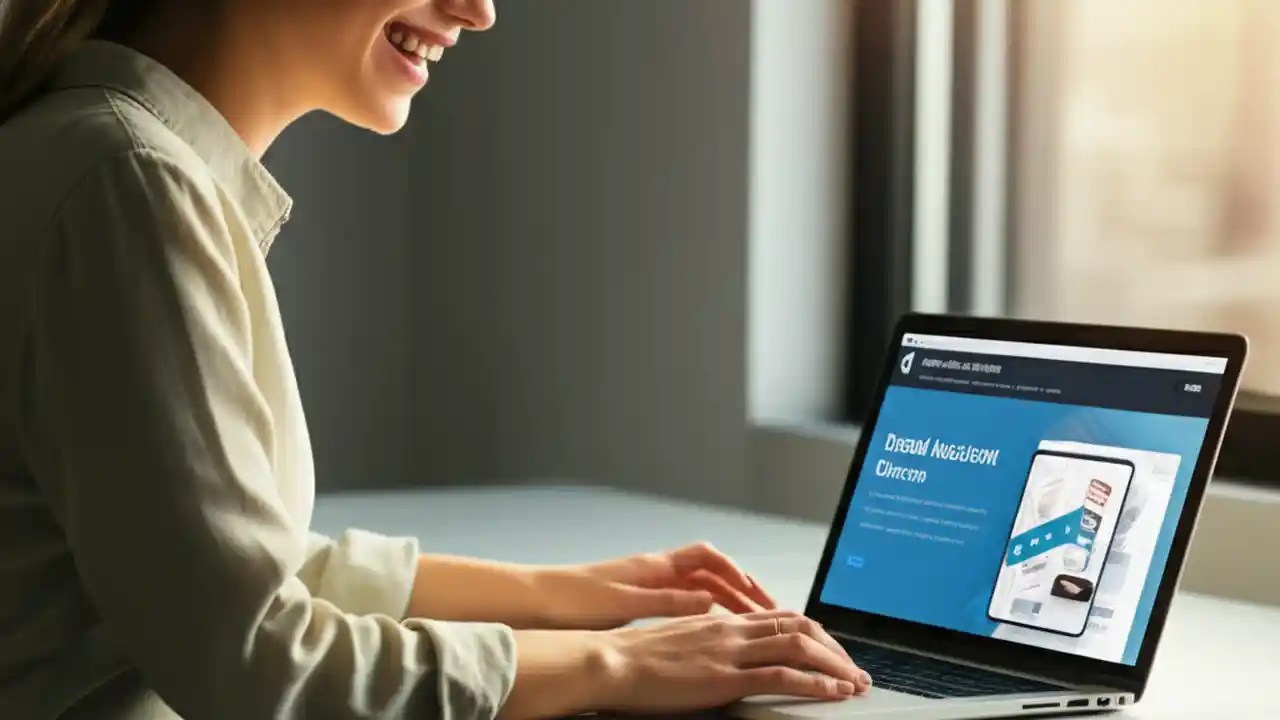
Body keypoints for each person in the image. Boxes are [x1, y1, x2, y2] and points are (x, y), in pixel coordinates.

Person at [0, 1, 871, 718]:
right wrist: (618, 662)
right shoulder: (128, 182)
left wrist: (575, 594)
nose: (478, 11)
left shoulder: (100, 153)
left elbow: (227, 570)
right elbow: (258, 658)